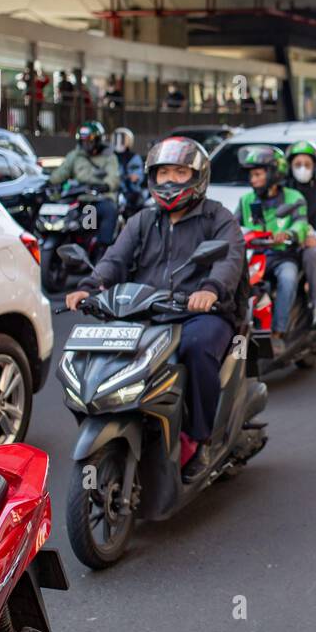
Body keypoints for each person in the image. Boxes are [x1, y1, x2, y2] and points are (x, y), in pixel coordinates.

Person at [66, 137, 243, 481]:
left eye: (180, 172)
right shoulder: (143, 221)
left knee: (197, 348)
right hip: (146, 311)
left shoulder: (218, 218)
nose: (170, 181)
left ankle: (198, 437)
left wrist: (210, 289)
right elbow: (114, 259)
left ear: (197, 177)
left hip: (202, 313)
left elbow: (229, 260)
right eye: (163, 173)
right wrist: (90, 286)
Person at [236, 145, 310, 352]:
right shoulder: (246, 200)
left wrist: (288, 234)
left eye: (258, 174)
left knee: (288, 278)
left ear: (273, 174)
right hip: (253, 257)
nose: (253, 179)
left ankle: (278, 332)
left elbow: (301, 224)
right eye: (251, 175)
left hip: (283, 256)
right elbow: (231, 226)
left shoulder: (293, 198)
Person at [49, 121, 121, 255]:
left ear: (99, 140)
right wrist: (49, 181)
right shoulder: (74, 155)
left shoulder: (110, 157)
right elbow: (61, 173)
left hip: (99, 198)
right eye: (83, 140)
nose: (87, 144)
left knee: (109, 210)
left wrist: (105, 185)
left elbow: (113, 176)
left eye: (90, 140)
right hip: (78, 198)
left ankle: (103, 251)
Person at [284, 141, 316, 328]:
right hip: (284, 242)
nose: (302, 169)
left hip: (313, 243)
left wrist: (315, 237)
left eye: (307, 164)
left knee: (312, 255)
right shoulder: (283, 189)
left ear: (315, 167)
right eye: (298, 165)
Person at [111, 127, 145, 215]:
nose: (119, 143)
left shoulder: (133, 158)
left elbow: (137, 176)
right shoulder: (109, 157)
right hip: (112, 191)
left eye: (122, 139)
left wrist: (131, 177)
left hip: (129, 191)